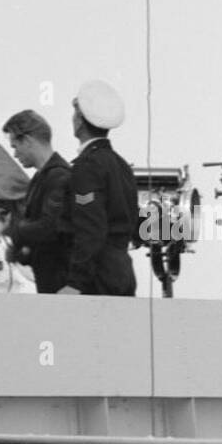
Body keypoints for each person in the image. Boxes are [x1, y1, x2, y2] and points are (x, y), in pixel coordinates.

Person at [59, 81, 139, 297]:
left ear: (79, 121)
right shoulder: (121, 165)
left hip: (97, 279)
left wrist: (76, 282)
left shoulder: (87, 167)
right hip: (122, 273)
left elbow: (91, 228)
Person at [0, 110, 72, 293]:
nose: (15, 154)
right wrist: (22, 254)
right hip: (48, 280)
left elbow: (49, 227)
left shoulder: (60, 177)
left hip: (64, 284)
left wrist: (4, 229)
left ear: (28, 141)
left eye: (15, 146)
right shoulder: (39, 181)